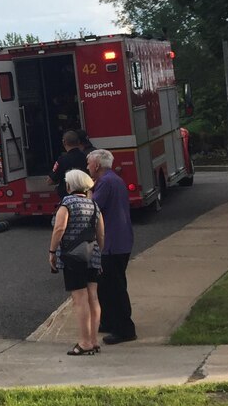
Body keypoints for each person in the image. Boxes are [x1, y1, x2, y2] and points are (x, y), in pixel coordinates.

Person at [48, 169, 105, 356]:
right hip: (92, 255)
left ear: (69, 186)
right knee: (93, 297)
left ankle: (85, 342)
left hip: (73, 257)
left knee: (79, 299)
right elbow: (101, 233)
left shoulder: (67, 203)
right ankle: (94, 340)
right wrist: (98, 253)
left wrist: (52, 252)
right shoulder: (94, 205)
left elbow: (59, 228)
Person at [88, 148, 136, 345]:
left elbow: (92, 208)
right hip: (119, 240)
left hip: (112, 243)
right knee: (106, 285)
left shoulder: (105, 182)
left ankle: (124, 329)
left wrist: (87, 192)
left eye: (89, 163)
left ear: (97, 164)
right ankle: (108, 321)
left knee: (114, 287)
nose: (87, 167)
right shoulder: (113, 179)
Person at [51, 130, 90, 200]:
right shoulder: (87, 157)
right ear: (78, 142)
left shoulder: (62, 160)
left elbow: (51, 180)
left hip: (67, 198)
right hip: (84, 196)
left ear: (64, 142)